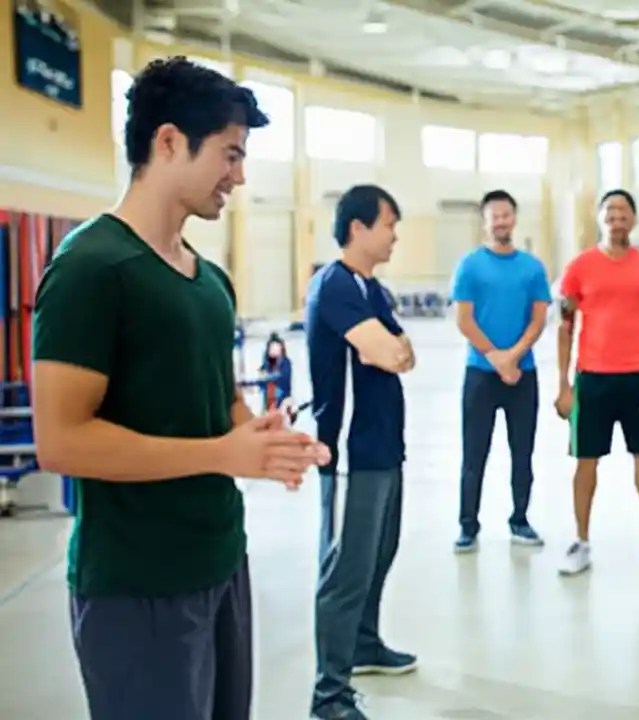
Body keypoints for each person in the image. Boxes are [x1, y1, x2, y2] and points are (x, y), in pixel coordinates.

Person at [31, 57, 330, 720]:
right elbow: (60, 440)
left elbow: (218, 405)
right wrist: (222, 455)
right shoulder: (91, 269)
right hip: (135, 586)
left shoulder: (209, 281)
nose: (240, 175)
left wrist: (260, 436)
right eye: (230, 154)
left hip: (221, 562)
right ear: (167, 142)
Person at [305, 184, 417, 720]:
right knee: (346, 570)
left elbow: (402, 353)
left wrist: (391, 350)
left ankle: (366, 644)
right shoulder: (335, 286)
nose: (395, 235)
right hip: (350, 452)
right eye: (389, 224)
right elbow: (386, 351)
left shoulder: (372, 290)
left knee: (381, 551)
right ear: (358, 228)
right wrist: (389, 350)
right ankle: (329, 693)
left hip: (384, 447)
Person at [554, 189, 639, 576]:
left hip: (638, 378)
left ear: (633, 219)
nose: (617, 217)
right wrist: (564, 385)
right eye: (610, 210)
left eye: (624, 211)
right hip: (591, 379)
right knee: (585, 462)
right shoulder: (579, 267)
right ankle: (581, 541)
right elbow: (564, 327)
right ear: (600, 218)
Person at [451, 189, 551, 552]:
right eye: (494, 215)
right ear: (485, 221)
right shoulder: (470, 265)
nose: (501, 221)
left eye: (506, 214)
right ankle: (467, 524)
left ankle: (520, 519)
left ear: (514, 217)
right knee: (474, 453)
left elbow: (539, 319)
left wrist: (514, 357)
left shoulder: (532, 267)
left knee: (522, 452)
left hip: (523, 376)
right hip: (480, 373)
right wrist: (495, 356)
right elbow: (464, 319)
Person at [257, 332, 294, 415]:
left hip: (282, 398)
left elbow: (285, 378)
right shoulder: (266, 362)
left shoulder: (286, 362)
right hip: (270, 399)